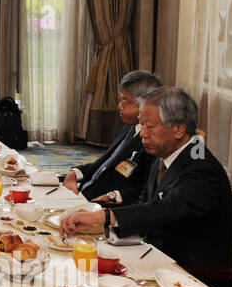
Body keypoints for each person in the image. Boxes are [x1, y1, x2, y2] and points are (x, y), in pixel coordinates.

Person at [61, 87, 232, 287]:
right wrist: (100, 224)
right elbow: (144, 203)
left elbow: (166, 210)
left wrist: (104, 216)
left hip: (194, 281)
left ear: (179, 129)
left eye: (150, 126)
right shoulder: (163, 155)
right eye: (141, 124)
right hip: (157, 259)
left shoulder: (202, 169)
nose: (142, 133)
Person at [62, 70, 160, 204]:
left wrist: (114, 196)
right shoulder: (129, 127)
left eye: (125, 101)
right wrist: (74, 173)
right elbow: (105, 163)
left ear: (145, 103)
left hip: (102, 208)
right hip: (83, 194)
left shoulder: (153, 141)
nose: (119, 106)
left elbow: (145, 190)